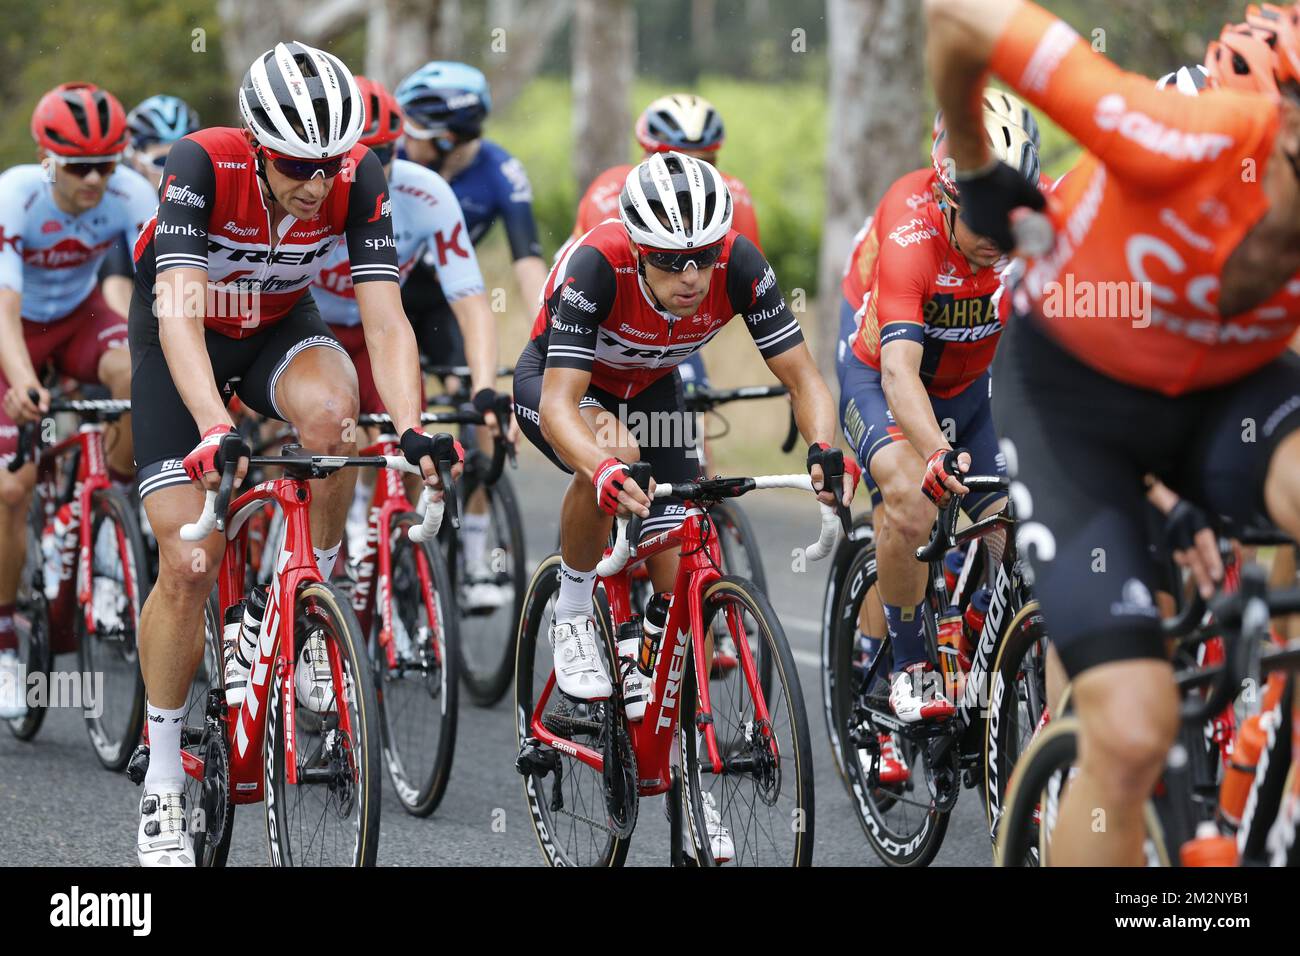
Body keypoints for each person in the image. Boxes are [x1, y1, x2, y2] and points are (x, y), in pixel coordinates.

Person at [923, 0, 1300, 865]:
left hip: (1228, 386)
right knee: (1131, 731)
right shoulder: (1169, 132)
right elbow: (957, 16)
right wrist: (978, 167)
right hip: (1071, 393)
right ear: (1282, 128)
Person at [128, 41, 452, 866]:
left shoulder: (358, 177)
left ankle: (313, 603)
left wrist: (410, 426)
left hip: (277, 325)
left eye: (329, 164)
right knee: (189, 561)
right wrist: (210, 420)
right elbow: (177, 317)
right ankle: (165, 773)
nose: (317, 185)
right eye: (298, 165)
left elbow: (384, 320)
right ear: (258, 145)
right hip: (186, 330)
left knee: (338, 423)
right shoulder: (202, 164)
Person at [514, 151, 857, 861]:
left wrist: (824, 448)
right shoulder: (597, 266)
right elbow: (558, 404)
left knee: (682, 581)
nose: (692, 278)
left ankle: (687, 771)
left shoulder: (740, 265)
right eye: (671, 263)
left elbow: (806, 378)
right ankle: (576, 606)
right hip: (565, 389)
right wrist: (604, 466)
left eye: (702, 258)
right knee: (610, 459)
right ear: (640, 251)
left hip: (656, 390)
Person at [839, 104, 1039, 741]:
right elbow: (899, 372)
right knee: (910, 501)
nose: (994, 239)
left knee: (1027, 529)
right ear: (947, 194)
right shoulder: (909, 227)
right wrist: (933, 454)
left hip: (970, 395)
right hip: (881, 384)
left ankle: (984, 627)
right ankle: (911, 661)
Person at [311, 76, 506, 607]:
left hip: (383, 330)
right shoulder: (308, 190)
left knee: (414, 445)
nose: (376, 165)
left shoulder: (428, 193)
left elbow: (470, 299)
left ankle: (393, 550)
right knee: (326, 437)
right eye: (361, 154)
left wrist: (484, 387)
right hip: (313, 329)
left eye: (387, 153)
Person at [0, 82, 156, 719]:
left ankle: (107, 510)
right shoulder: (17, 197)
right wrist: (19, 383)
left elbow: (166, 287)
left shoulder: (131, 194)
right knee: (12, 490)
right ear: (48, 158)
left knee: (139, 374)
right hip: (14, 331)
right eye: (79, 166)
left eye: (107, 162)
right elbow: (4, 312)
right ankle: (6, 637)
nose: (94, 179)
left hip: (80, 317)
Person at [565, 93, 761, 397]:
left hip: (677, 310)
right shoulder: (611, 190)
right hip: (610, 309)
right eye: (674, 159)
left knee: (693, 405)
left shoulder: (732, 193)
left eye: (706, 161)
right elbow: (601, 282)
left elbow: (744, 287)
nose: (687, 174)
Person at [395, 62, 546, 370]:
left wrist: (553, 344)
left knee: (475, 396)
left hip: (445, 302)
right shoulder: (392, 158)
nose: (403, 139)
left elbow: (529, 265)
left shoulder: (502, 172)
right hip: (384, 297)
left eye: (414, 130)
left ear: (447, 139)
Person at [99, 95, 205, 319]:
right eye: (161, 161)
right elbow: (116, 288)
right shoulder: (122, 203)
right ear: (137, 162)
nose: (175, 169)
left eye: (185, 159)